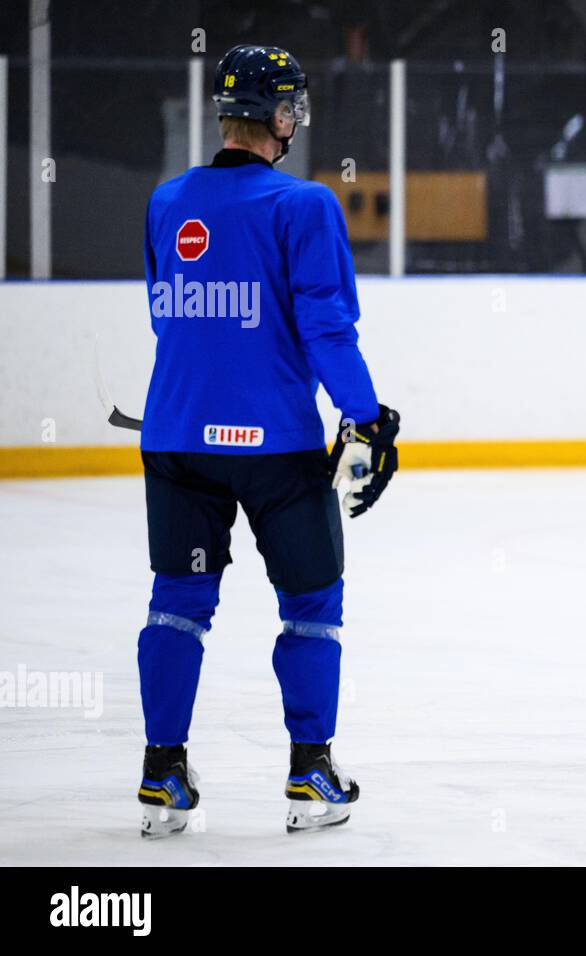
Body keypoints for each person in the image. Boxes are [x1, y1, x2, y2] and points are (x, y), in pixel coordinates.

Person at [136, 44, 400, 836]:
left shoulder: (164, 201)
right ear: (280, 116)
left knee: (178, 604)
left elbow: (167, 316)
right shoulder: (305, 205)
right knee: (312, 604)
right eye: (292, 108)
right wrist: (367, 416)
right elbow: (326, 327)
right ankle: (310, 776)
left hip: (176, 438)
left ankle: (161, 778)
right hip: (276, 449)